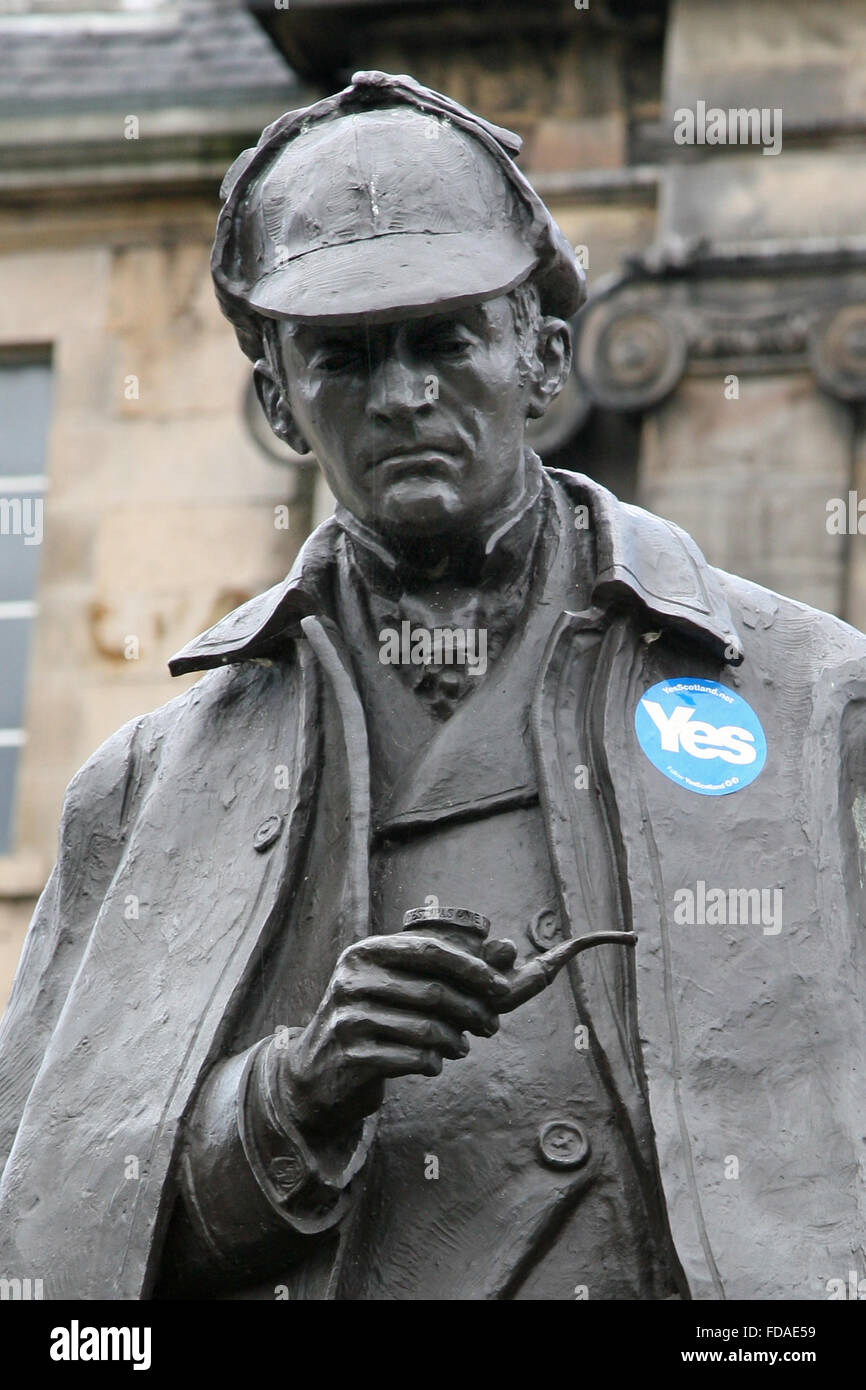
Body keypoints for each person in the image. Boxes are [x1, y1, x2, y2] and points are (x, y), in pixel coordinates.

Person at [1, 71, 864, 1301]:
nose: (401, 396)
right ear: (278, 404)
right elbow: (52, 1264)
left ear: (542, 357)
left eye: (444, 338)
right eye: (343, 358)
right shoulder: (143, 795)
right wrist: (295, 1089)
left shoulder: (812, 702)